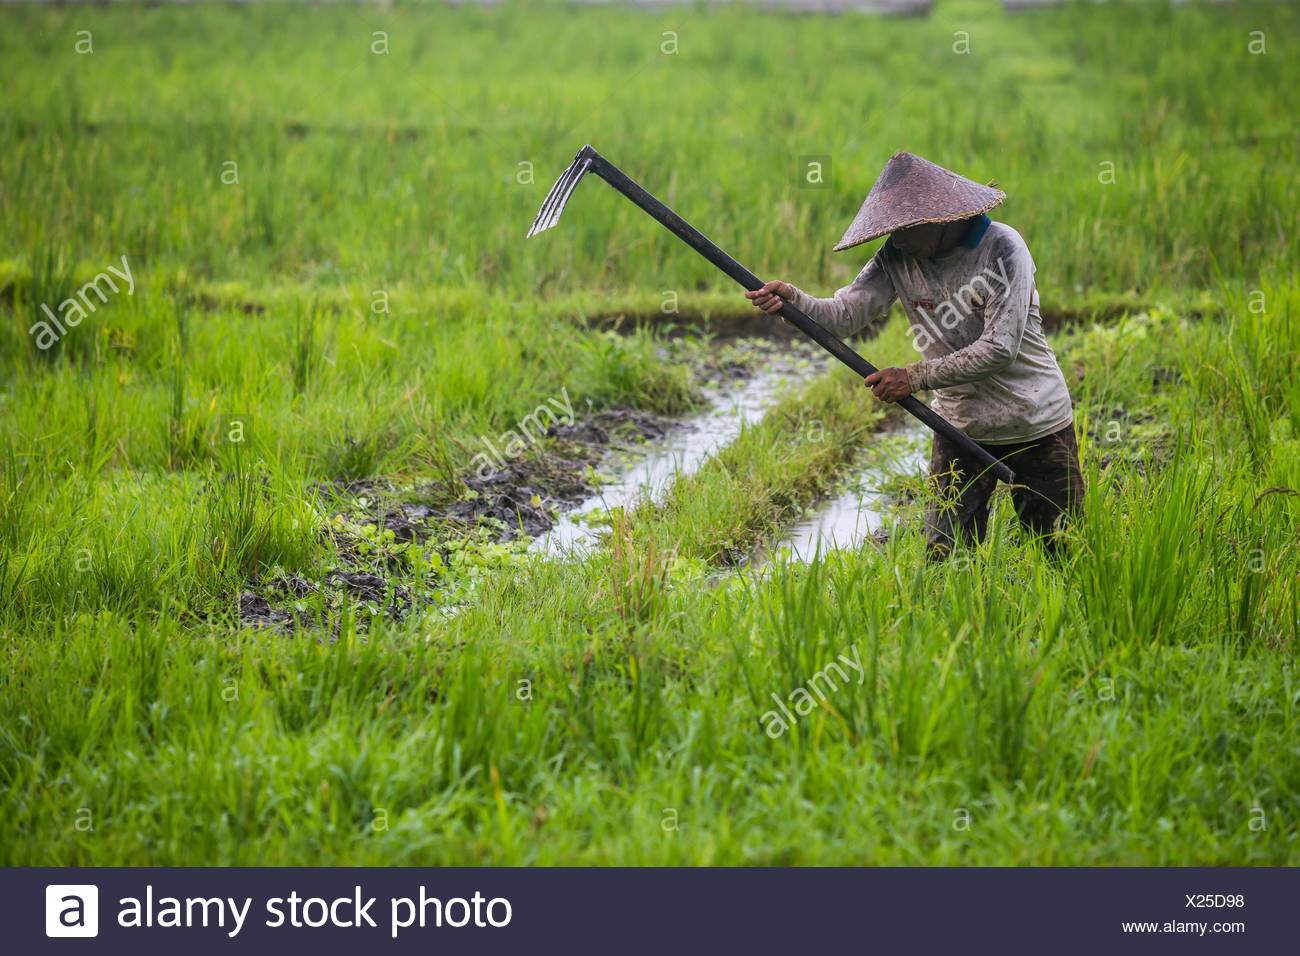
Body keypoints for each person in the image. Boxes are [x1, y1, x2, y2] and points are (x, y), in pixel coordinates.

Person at [746, 151, 1082, 560]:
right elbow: (848, 313)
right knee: (946, 557)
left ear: (939, 220)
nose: (896, 239)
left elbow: (999, 348)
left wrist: (914, 376)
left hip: (1035, 422)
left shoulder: (1004, 249)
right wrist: (795, 302)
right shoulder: (897, 255)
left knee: (1063, 552)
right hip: (960, 427)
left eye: (904, 229)